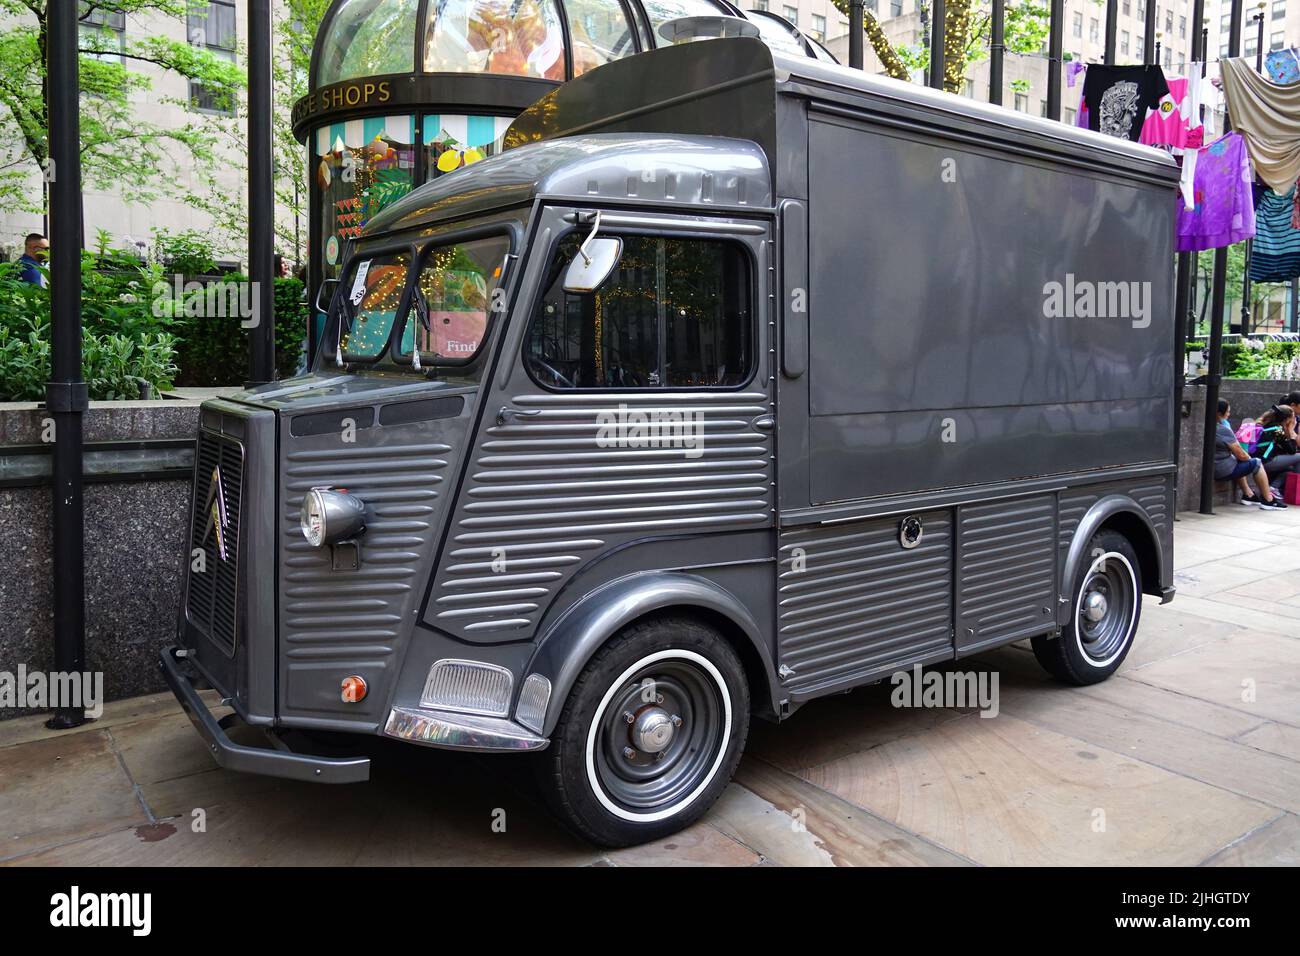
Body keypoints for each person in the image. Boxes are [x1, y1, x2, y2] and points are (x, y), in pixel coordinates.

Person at [1215, 398, 1286, 508]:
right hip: (1222, 469)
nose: (1229, 414)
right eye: (1228, 411)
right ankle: (1268, 499)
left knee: (1241, 461)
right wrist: (1249, 460)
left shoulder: (1208, 425)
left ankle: (1248, 494)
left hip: (1215, 465)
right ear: (1220, 413)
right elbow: (1241, 455)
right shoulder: (1222, 429)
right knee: (1256, 462)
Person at [1256, 401, 1300, 493]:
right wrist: (1291, 430)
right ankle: (1294, 492)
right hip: (1265, 461)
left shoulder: (1266, 424)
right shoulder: (1277, 430)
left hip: (1259, 459)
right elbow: (1292, 450)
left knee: (1290, 469)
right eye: (1292, 418)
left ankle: (1273, 488)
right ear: (1287, 419)